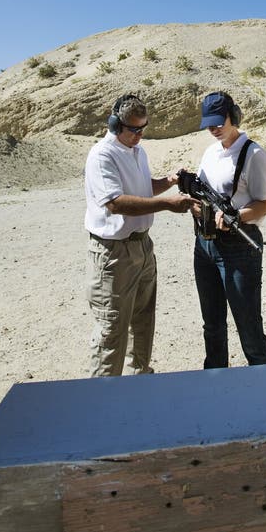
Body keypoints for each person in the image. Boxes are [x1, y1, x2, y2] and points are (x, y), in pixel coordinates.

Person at [84, 93, 197, 377]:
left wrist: (169, 181)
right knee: (112, 330)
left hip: (142, 246)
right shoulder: (102, 155)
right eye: (133, 129)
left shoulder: (138, 151)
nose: (139, 135)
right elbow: (116, 203)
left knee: (143, 323)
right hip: (114, 253)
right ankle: (104, 393)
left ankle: (139, 381)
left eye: (143, 128)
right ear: (115, 125)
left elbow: (144, 189)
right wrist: (168, 205)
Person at [192, 91, 266, 369]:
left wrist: (236, 217)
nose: (213, 129)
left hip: (239, 246)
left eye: (219, 122)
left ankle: (265, 384)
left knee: (249, 328)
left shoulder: (254, 154)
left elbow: (263, 204)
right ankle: (216, 380)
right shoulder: (210, 152)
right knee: (212, 325)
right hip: (205, 245)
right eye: (209, 125)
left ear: (234, 117)